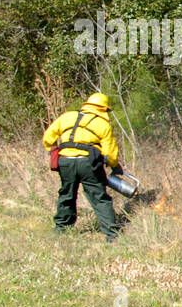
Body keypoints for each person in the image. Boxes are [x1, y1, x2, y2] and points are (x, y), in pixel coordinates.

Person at [43, 92, 123, 241]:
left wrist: (54, 150)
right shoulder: (103, 124)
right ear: (103, 109)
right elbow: (110, 150)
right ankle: (111, 234)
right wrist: (115, 166)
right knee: (99, 197)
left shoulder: (67, 116)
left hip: (65, 161)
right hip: (88, 163)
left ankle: (61, 228)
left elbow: (48, 137)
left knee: (67, 194)